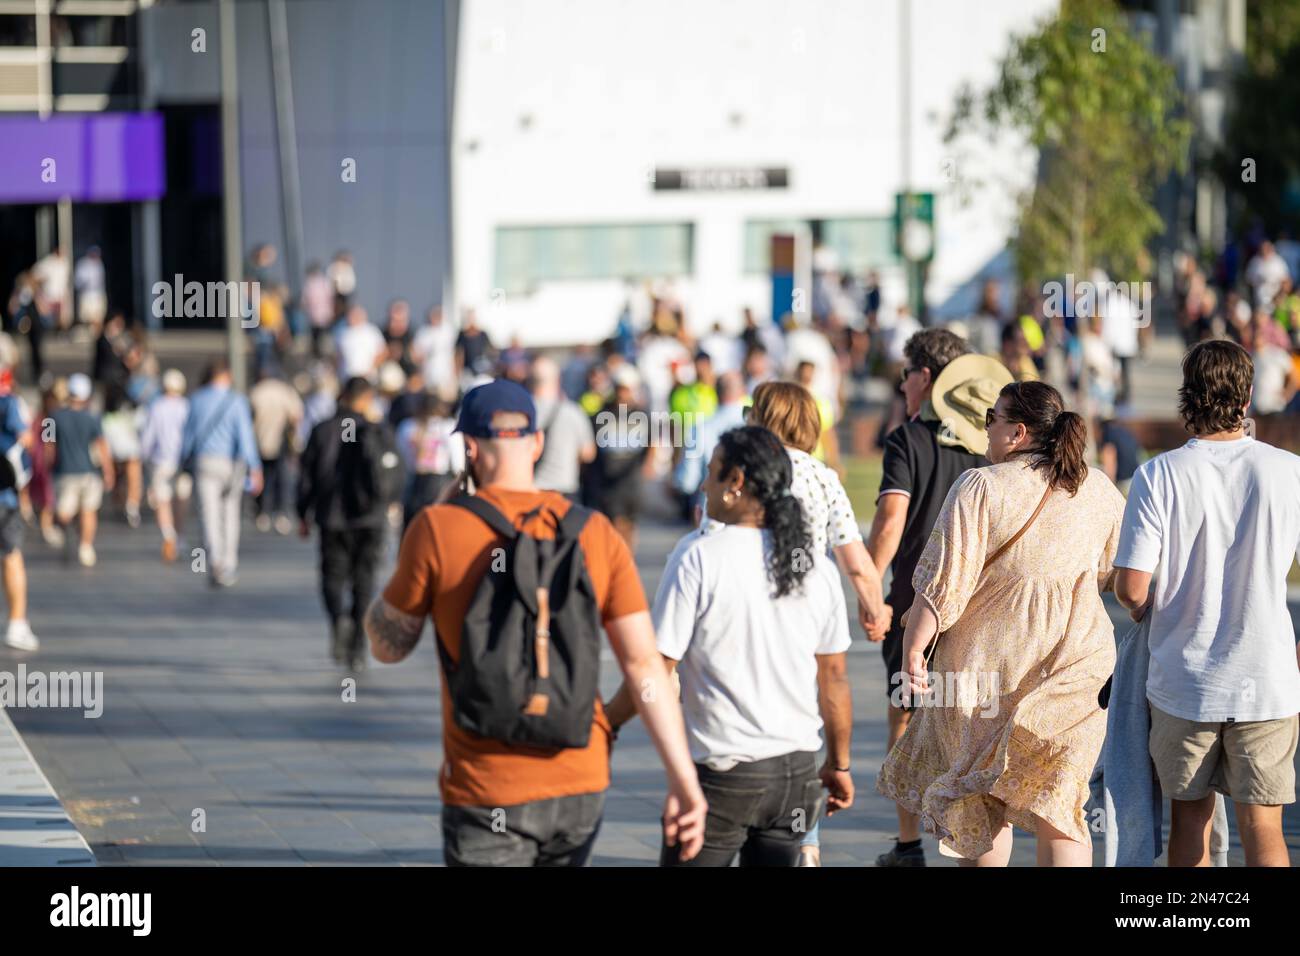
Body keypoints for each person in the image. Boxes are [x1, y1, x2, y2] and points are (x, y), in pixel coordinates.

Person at [363, 379, 707, 866]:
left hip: (486, 790)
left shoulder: (437, 528)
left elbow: (386, 646)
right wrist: (682, 778)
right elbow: (645, 666)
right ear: (537, 444)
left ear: (468, 447)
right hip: (579, 784)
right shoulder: (595, 532)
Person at [877, 380, 1126, 866]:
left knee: (982, 806)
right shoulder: (1096, 486)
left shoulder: (982, 487)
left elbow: (942, 584)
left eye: (991, 418)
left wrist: (913, 650)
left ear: (1017, 432)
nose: (985, 428)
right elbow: (1117, 573)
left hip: (986, 668)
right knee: (1061, 802)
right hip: (1078, 668)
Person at [605, 425, 853, 866]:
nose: (703, 484)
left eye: (712, 472)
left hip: (723, 776)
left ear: (735, 481)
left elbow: (655, 668)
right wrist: (839, 763)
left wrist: (608, 723)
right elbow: (833, 678)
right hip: (796, 773)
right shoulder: (816, 564)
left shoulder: (700, 555)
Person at [1114, 340, 1300, 868]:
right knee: (1263, 827)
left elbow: (1131, 587)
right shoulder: (1289, 471)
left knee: (1189, 824)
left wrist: (1139, 609)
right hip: (1267, 677)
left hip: (1184, 680)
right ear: (1245, 399)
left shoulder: (1159, 474)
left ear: (1188, 394)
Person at [865, 332, 1004, 867]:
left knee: (906, 716)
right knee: (972, 719)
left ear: (926, 376)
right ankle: (973, 839)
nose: (902, 383)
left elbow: (890, 521)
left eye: (907, 373)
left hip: (913, 605)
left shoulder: (908, 440)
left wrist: (870, 589)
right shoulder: (987, 446)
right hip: (976, 606)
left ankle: (908, 846)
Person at [746, 381, 889, 866]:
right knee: (807, 713)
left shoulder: (744, 468)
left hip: (749, 604)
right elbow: (854, 555)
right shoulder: (823, 476)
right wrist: (875, 608)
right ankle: (804, 842)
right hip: (809, 604)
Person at [298, 377, 403, 669]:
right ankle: (357, 642)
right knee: (364, 579)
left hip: (332, 517)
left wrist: (302, 513)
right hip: (369, 517)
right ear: (367, 399)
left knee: (332, 576)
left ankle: (338, 619)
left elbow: (307, 476)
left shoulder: (323, 430)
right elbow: (392, 474)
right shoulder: (377, 431)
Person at [181, 358, 263, 588]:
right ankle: (229, 563)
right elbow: (245, 437)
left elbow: (188, 437)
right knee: (230, 514)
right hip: (232, 463)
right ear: (226, 376)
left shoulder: (196, 400)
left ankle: (214, 560)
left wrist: (182, 461)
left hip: (205, 462)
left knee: (208, 514)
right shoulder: (237, 401)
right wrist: (254, 467)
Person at [49, 373, 114, 568]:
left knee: (64, 512)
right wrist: (108, 470)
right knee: (88, 511)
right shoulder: (93, 418)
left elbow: (47, 445)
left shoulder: (53, 417)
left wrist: (46, 467)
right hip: (89, 472)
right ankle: (86, 546)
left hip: (64, 472)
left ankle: (68, 531)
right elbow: (102, 445)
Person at [0, 364, 37, 651]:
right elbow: (25, 437)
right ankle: (17, 623)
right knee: (11, 556)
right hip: (5, 498)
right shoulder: (9, 403)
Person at [140, 369, 191, 562]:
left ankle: (168, 535)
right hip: (183, 460)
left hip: (161, 460)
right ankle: (181, 537)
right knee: (181, 500)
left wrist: (144, 455)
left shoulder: (157, 407)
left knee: (162, 500)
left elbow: (148, 437)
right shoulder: (187, 407)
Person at [528, 356, 595, 502]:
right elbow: (588, 453)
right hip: (565, 491)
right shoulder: (573, 411)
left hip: (532, 491)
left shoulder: (522, 413)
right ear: (558, 380)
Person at [249, 364, 304, 535]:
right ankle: (282, 513)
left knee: (262, 475)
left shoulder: (256, 392)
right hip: (280, 439)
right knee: (282, 476)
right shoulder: (285, 391)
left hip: (259, 439)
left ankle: (262, 512)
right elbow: (297, 415)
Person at [395, 393, 462, 530]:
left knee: (411, 527)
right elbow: (458, 463)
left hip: (412, 482)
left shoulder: (407, 426)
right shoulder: (448, 427)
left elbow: (400, 458)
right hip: (437, 483)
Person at [412, 306, 457, 401]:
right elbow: (416, 354)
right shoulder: (423, 332)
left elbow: (456, 353)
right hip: (428, 374)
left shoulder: (448, 331)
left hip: (445, 374)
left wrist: (455, 372)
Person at [333, 306, 387, 382]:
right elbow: (337, 355)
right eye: (351, 315)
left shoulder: (372, 331)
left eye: (357, 315)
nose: (354, 318)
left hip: (367, 377)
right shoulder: (340, 331)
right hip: (346, 377)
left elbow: (383, 353)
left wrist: (370, 370)